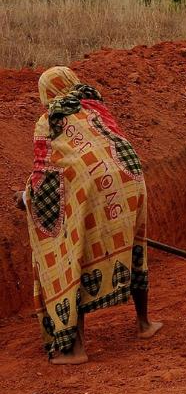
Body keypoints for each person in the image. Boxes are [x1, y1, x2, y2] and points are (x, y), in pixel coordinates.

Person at [16, 67, 161, 363]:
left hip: (93, 192)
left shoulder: (49, 121)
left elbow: (47, 177)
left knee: (69, 255)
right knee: (135, 247)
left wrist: (24, 198)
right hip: (130, 182)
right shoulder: (95, 106)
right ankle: (144, 324)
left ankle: (75, 349)